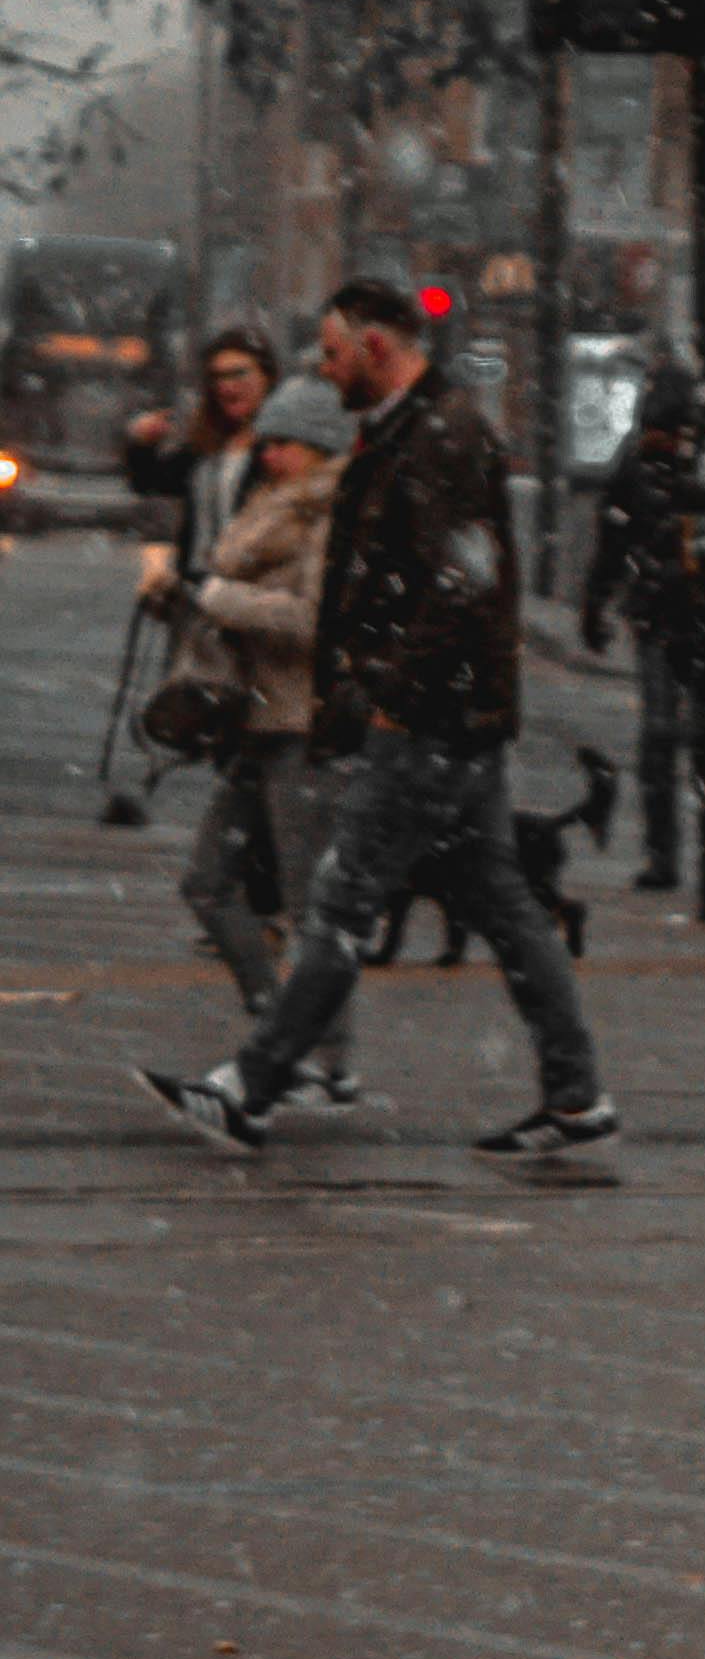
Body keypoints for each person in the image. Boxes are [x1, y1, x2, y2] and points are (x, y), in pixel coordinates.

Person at [136, 274, 617, 1168]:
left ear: (376, 346)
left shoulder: (440, 436)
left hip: (428, 719)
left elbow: (460, 583)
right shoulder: (412, 432)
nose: (323, 371)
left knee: (344, 901)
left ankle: (253, 1086)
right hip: (451, 714)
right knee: (502, 905)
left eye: (332, 353)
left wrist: (389, 686)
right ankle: (577, 1093)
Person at [176, 372, 362, 1113]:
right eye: (268, 440)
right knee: (207, 883)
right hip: (253, 722)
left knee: (313, 905)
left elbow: (318, 620)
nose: (270, 454)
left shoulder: (330, 513)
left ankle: (327, 1064)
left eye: (285, 442)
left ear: (320, 446)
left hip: (302, 727)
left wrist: (226, 601)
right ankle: (277, 1030)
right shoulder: (270, 506)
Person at [580, 358, 705, 888]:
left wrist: (598, 602)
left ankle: (665, 852)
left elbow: (612, 543)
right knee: (678, 736)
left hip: (667, 614)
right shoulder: (692, 464)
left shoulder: (642, 468)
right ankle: (676, 852)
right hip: (685, 616)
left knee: (661, 737)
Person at [127, 322, 278, 609]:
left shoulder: (282, 447)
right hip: (198, 592)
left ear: (266, 377)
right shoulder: (205, 446)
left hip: (253, 596)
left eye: (238, 373)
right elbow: (150, 483)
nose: (227, 386)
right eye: (217, 376)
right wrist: (142, 444)